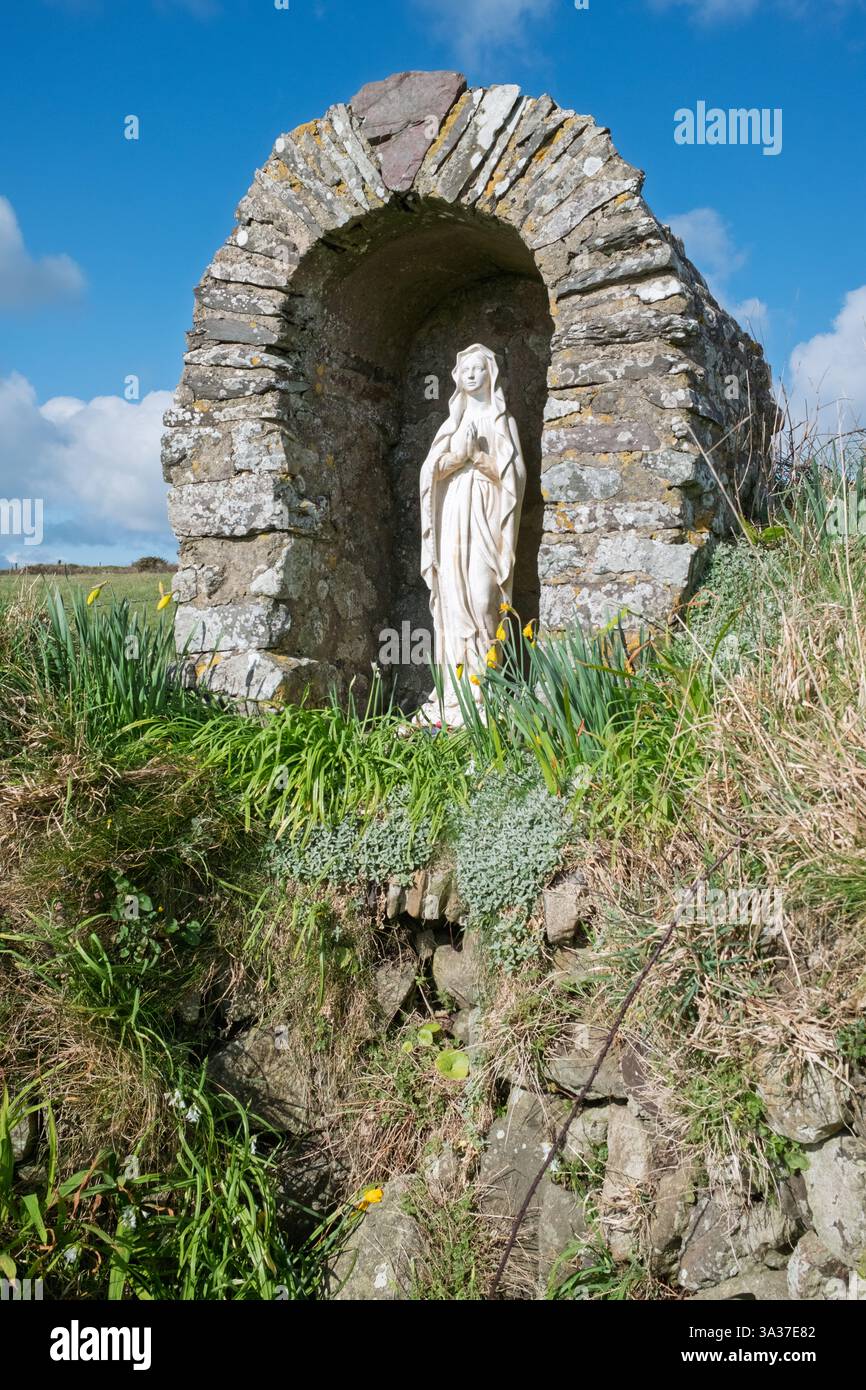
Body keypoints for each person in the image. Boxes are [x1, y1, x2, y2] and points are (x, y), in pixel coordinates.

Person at [419, 343, 526, 725]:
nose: (470, 374)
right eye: (464, 369)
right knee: (451, 598)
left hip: (486, 514)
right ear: (456, 377)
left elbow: (515, 478)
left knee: (483, 597)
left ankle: (487, 689)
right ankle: (454, 694)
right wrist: (454, 459)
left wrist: (478, 459)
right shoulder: (451, 425)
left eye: (478, 368)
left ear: (490, 374)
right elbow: (430, 475)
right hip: (452, 517)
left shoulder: (502, 421)